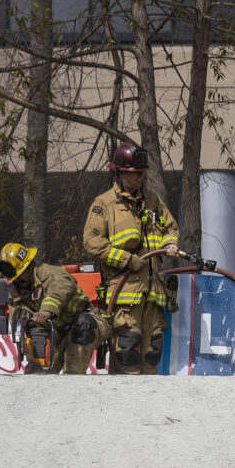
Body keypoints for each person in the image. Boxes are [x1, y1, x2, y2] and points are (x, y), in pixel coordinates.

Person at [82, 142, 179, 375]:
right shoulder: (104, 204)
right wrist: (126, 259)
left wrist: (170, 243)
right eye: (135, 174)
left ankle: (150, 408)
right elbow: (92, 243)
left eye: (142, 174)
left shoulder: (154, 201)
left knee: (152, 352)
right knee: (127, 351)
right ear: (120, 172)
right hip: (124, 294)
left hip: (154, 292)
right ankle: (124, 407)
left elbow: (171, 227)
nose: (140, 179)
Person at [0, 242, 111, 375]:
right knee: (36, 377)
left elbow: (58, 293)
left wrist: (44, 312)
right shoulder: (16, 295)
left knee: (83, 325)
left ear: (29, 266)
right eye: (14, 278)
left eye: (20, 275)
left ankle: (75, 381)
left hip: (83, 323)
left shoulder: (52, 274)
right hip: (53, 334)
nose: (17, 281)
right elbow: (18, 323)